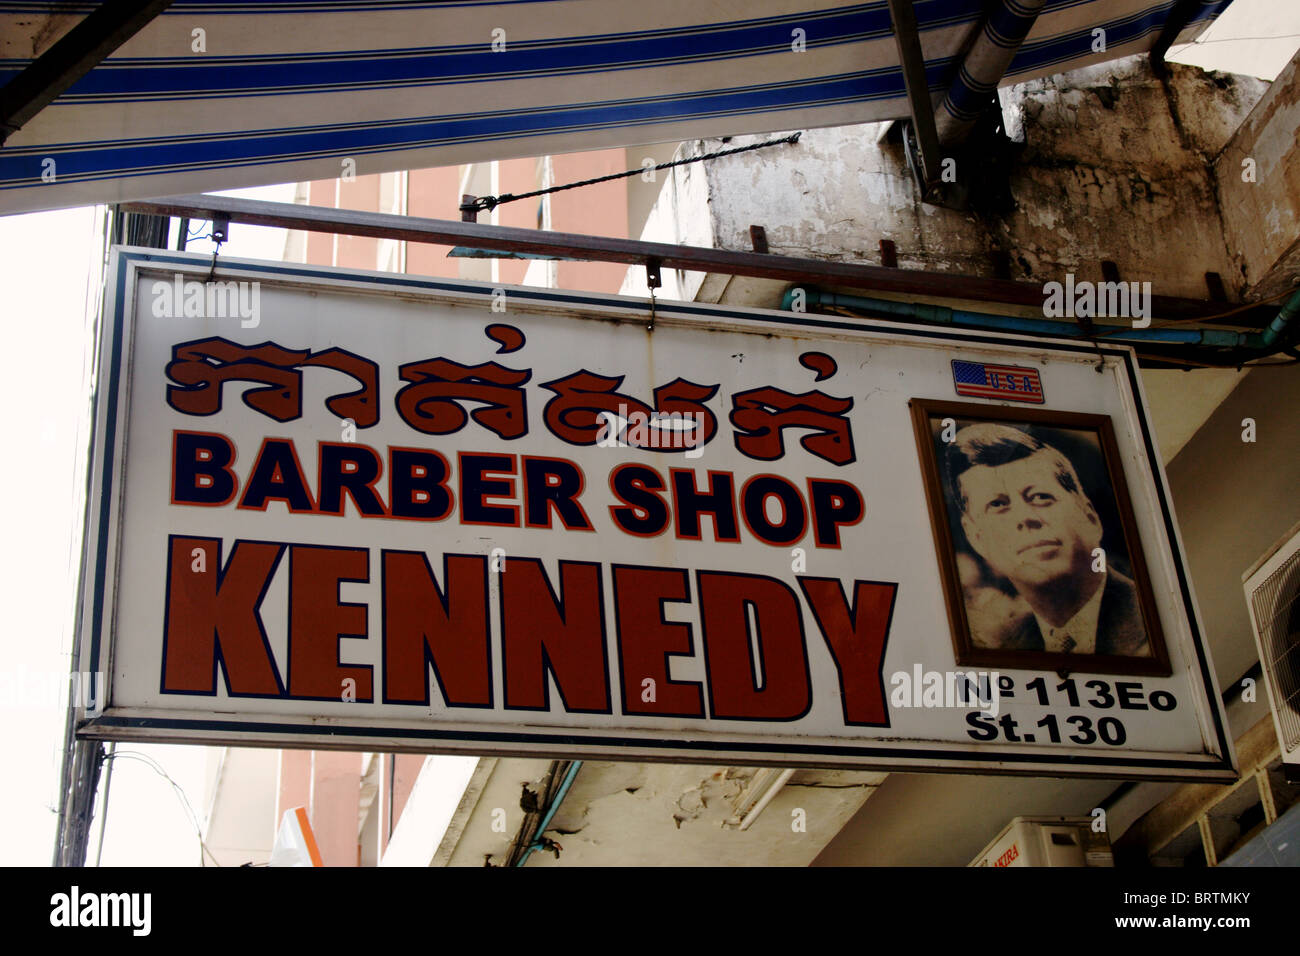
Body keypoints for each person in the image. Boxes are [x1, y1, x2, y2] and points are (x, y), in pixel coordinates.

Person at [942, 423, 1148, 657]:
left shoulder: (1152, 616)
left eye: (1041, 497)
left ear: (1090, 516)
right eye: (998, 505)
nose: (1026, 517)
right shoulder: (1002, 646)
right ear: (977, 539)